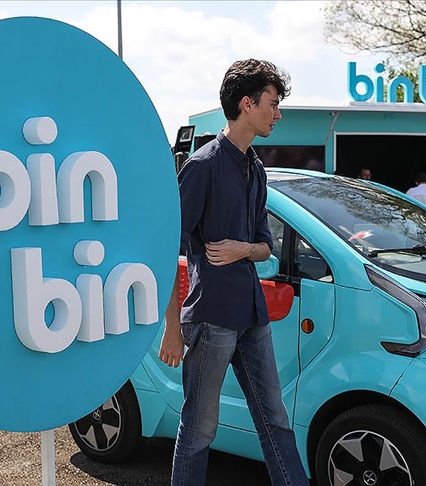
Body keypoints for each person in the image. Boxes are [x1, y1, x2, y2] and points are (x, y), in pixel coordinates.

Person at [158, 59, 308, 486]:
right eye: (273, 104)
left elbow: (265, 246)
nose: (277, 114)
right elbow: (169, 245)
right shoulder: (202, 167)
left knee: (275, 420)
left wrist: (244, 248)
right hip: (211, 319)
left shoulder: (256, 168)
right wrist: (172, 326)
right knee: (200, 428)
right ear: (247, 103)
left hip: (252, 315)